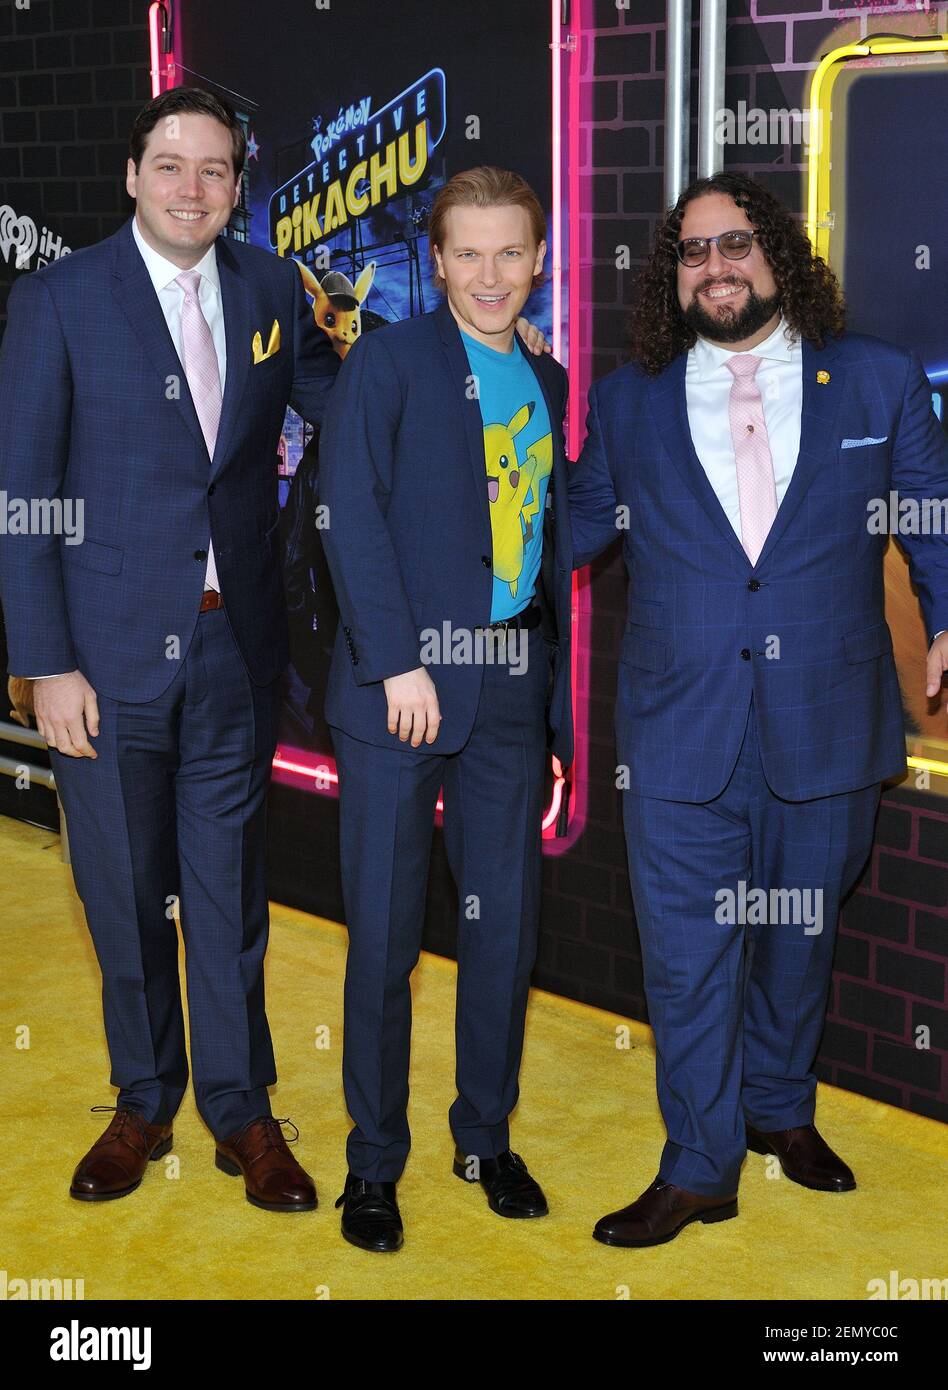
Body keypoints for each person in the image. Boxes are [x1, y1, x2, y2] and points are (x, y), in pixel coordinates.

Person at [567, 171, 948, 1248]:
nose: (717, 265)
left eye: (737, 243)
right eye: (693, 251)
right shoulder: (628, 398)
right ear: (672, 275)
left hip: (825, 722)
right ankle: (699, 1163)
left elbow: (928, 508)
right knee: (688, 960)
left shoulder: (873, 381)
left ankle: (780, 1110)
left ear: (779, 255)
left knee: (797, 941)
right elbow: (569, 532)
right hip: (679, 734)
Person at [0, 85, 343, 1211]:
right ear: (133, 175)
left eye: (215, 171)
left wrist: (474, 352)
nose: (193, 189)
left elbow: (341, 393)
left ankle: (242, 1109)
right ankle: (144, 1100)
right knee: (122, 893)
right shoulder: (59, 300)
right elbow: (25, 498)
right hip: (99, 668)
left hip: (232, 657)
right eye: (171, 166)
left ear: (238, 187)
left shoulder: (267, 287)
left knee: (229, 895)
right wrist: (44, 661)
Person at [318, 166, 573, 1252]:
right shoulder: (390, 359)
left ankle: (486, 1136)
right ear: (436, 261)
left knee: (502, 933)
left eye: (509, 252)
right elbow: (346, 514)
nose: (489, 274)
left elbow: (544, 535)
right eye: (466, 253)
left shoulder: (551, 379)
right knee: (383, 939)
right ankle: (373, 1165)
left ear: (540, 260)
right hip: (400, 691)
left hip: (510, 689)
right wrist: (396, 663)